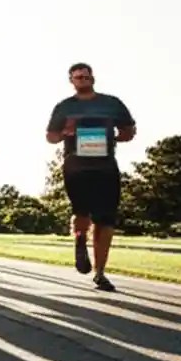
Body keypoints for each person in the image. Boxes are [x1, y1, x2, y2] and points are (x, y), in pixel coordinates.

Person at [46, 62, 136, 292]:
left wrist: (115, 137)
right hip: (76, 165)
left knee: (106, 220)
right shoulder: (64, 107)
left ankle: (100, 273)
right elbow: (50, 136)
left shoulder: (111, 104)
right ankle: (79, 238)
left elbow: (129, 130)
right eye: (78, 78)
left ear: (92, 79)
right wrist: (66, 131)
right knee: (81, 213)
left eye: (86, 77)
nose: (82, 80)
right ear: (71, 81)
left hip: (105, 165)